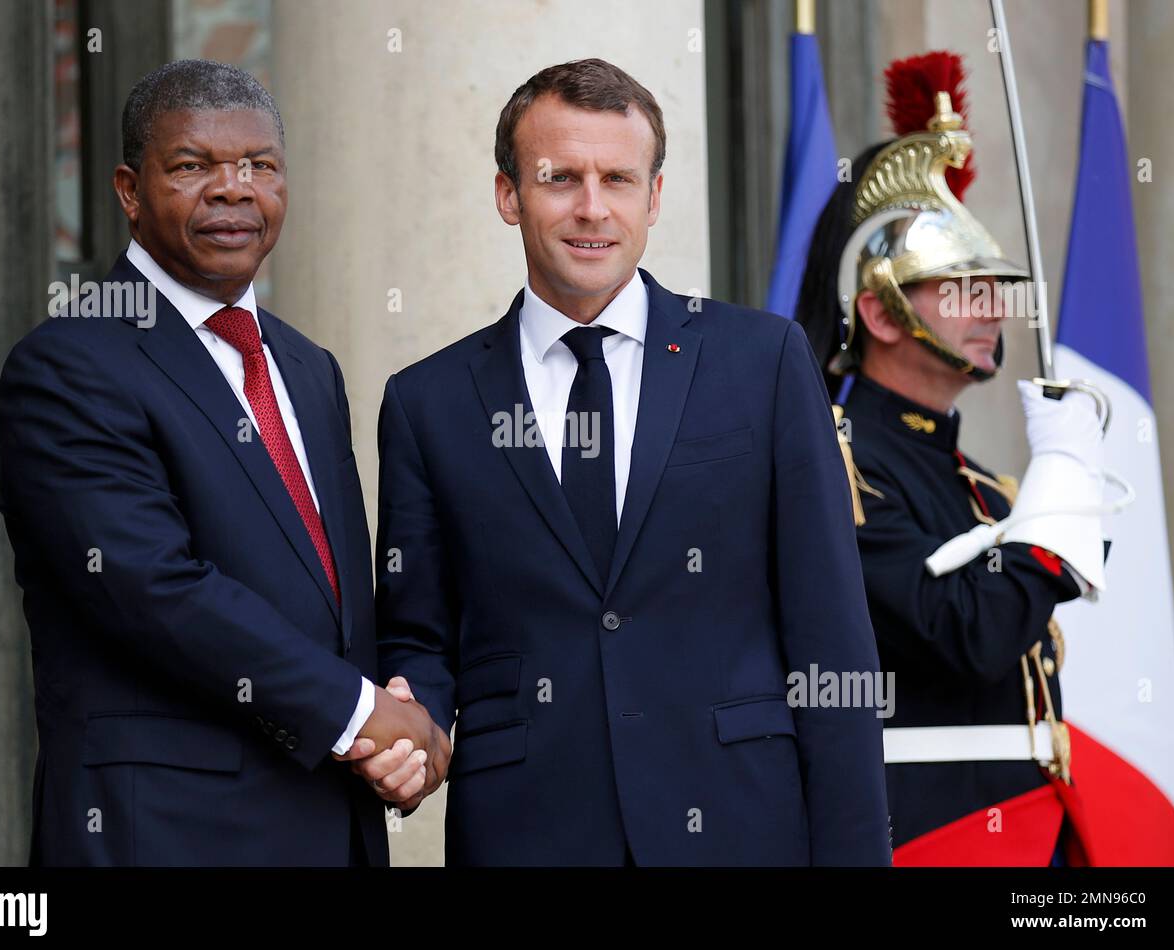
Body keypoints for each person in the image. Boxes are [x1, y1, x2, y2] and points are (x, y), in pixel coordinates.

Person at [354, 57, 889, 865]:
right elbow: (418, 637)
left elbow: (833, 638)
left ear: (655, 196)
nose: (592, 208)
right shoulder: (428, 402)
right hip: (524, 835)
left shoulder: (763, 360)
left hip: (741, 829)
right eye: (560, 178)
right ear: (509, 195)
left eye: (618, 179)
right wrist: (413, 729)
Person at [0, 59, 446, 866]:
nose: (234, 190)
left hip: (331, 827)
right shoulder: (69, 365)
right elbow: (154, 591)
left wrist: (406, 727)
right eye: (193, 166)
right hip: (166, 834)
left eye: (260, 167)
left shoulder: (308, 369)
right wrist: (361, 714)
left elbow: (339, 608)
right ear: (130, 191)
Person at [795, 52, 1107, 865]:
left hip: (1030, 832)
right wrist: (1062, 497)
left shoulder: (980, 486)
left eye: (991, 283)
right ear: (880, 310)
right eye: (959, 284)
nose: (990, 305)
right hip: (925, 835)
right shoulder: (832, 461)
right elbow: (966, 630)